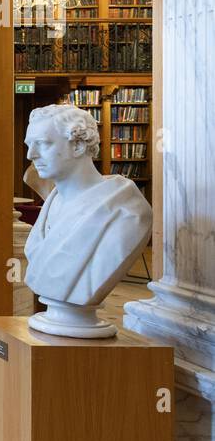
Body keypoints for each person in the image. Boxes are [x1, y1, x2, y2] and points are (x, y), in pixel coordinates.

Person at [23, 103, 151, 338]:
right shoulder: (52, 203)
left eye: (42, 143)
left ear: (79, 145)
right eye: (29, 145)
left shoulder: (126, 211)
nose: (31, 155)